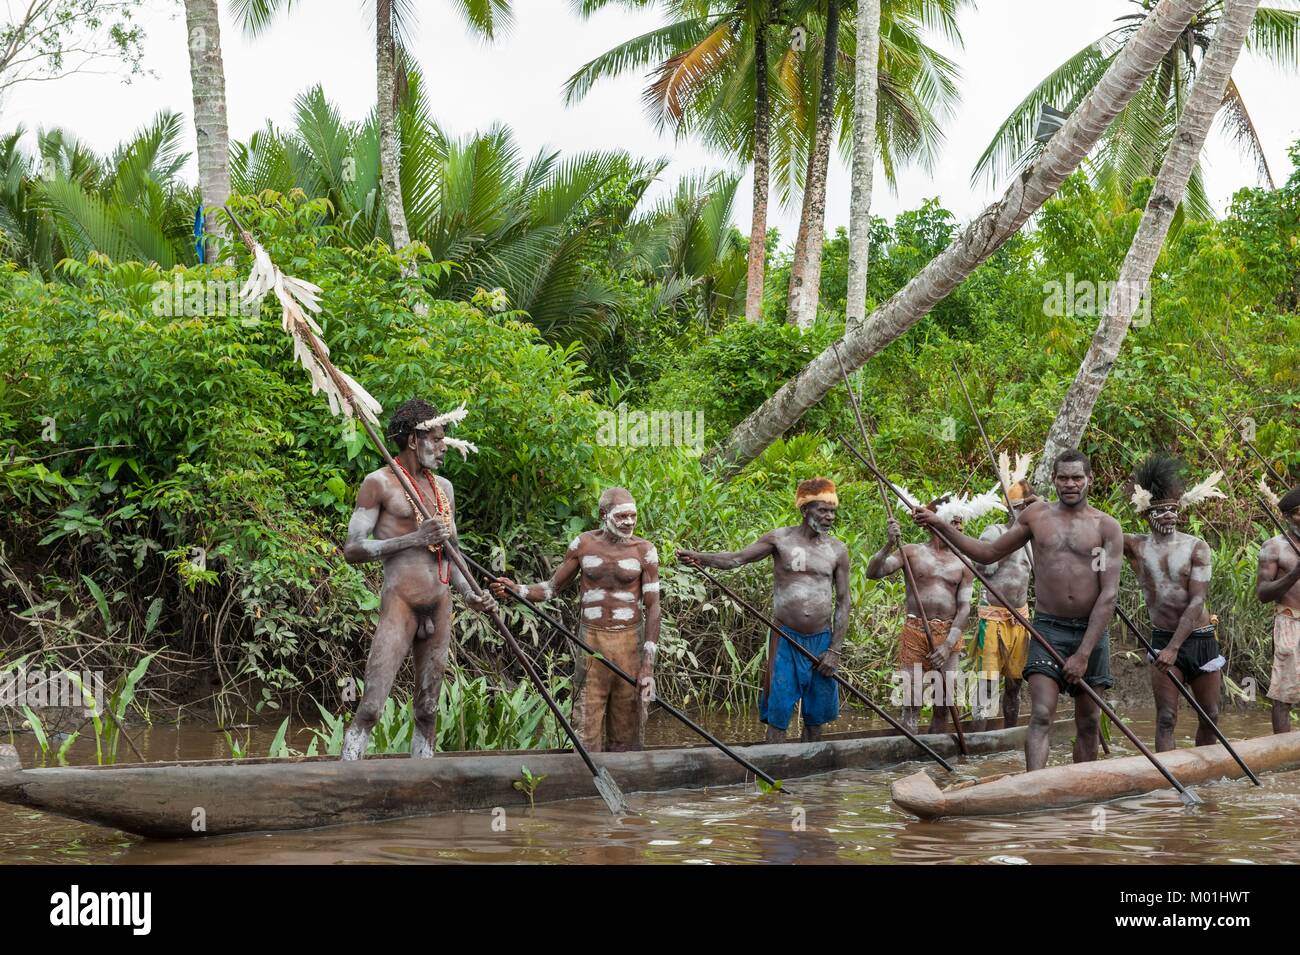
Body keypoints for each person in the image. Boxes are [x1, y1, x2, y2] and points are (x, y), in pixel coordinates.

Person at [915, 449, 1122, 770]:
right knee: (1040, 715)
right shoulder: (1037, 517)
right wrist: (941, 525)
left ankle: (1083, 792)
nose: (1070, 484)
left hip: (1090, 633)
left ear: (1089, 481)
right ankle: (1034, 787)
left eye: (1077, 477)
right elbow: (986, 553)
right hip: (1048, 628)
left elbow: (1108, 593)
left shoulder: (1106, 528)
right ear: (1053, 480)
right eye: (1063, 477)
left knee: (1089, 720)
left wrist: (1083, 653)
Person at [339, 399, 497, 760]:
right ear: (414, 440)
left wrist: (472, 595)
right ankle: (347, 777)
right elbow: (352, 549)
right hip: (401, 603)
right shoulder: (378, 483)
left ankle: (422, 782)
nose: (444, 447)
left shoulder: (444, 489)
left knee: (427, 710)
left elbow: (453, 557)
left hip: (440, 604)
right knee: (372, 707)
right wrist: (412, 538)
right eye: (437, 439)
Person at [678, 478, 849, 742]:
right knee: (778, 712)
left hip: (822, 641)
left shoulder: (837, 550)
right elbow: (736, 559)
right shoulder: (780, 540)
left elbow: (843, 602)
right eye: (822, 510)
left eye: (832, 511)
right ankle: (772, 774)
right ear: (805, 510)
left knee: (817, 716)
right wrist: (700, 558)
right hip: (786, 638)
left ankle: (812, 777)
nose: (829, 517)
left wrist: (834, 651)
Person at [490, 488, 660, 752]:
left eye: (633, 516)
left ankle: (627, 781)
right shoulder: (583, 545)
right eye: (622, 516)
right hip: (591, 643)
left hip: (630, 646)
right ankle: (586, 780)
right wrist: (517, 590)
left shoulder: (644, 551)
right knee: (585, 726)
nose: (629, 522)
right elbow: (550, 589)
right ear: (603, 515)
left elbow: (653, 606)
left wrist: (648, 666)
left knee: (627, 729)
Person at [1123, 453, 1226, 751]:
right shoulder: (1136, 546)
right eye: (1161, 510)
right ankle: (1167, 789)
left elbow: (1197, 601)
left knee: (1211, 715)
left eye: (1173, 509)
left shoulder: (1197, 546)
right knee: (1166, 717)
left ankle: (1205, 779)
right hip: (1162, 638)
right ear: (1146, 514)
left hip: (1200, 639)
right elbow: (1095, 532)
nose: (1169, 515)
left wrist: (1174, 648)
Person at [866, 493, 984, 734]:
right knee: (911, 701)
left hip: (948, 634)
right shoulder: (911, 552)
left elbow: (964, 607)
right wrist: (889, 543)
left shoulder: (964, 564)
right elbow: (874, 572)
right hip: (915, 631)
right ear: (935, 524)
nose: (958, 529)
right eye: (954, 523)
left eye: (961, 525)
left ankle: (936, 759)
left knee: (944, 704)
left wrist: (948, 645)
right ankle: (910, 756)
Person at [970, 453, 1038, 731]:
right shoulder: (994, 532)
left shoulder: (1034, 540)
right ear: (1014, 509)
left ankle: (1009, 736)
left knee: (1014, 684)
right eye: (1025, 508)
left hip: (1020, 620)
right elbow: (983, 566)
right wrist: (1011, 540)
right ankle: (979, 736)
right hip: (994, 618)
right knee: (987, 683)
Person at [1256, 481, 1300, 734]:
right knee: (1284, 696)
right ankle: (1282, 754)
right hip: (1290, 622)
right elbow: (1262, 593)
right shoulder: (1274, 547)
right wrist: (1295, 574)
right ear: (1288, 517)